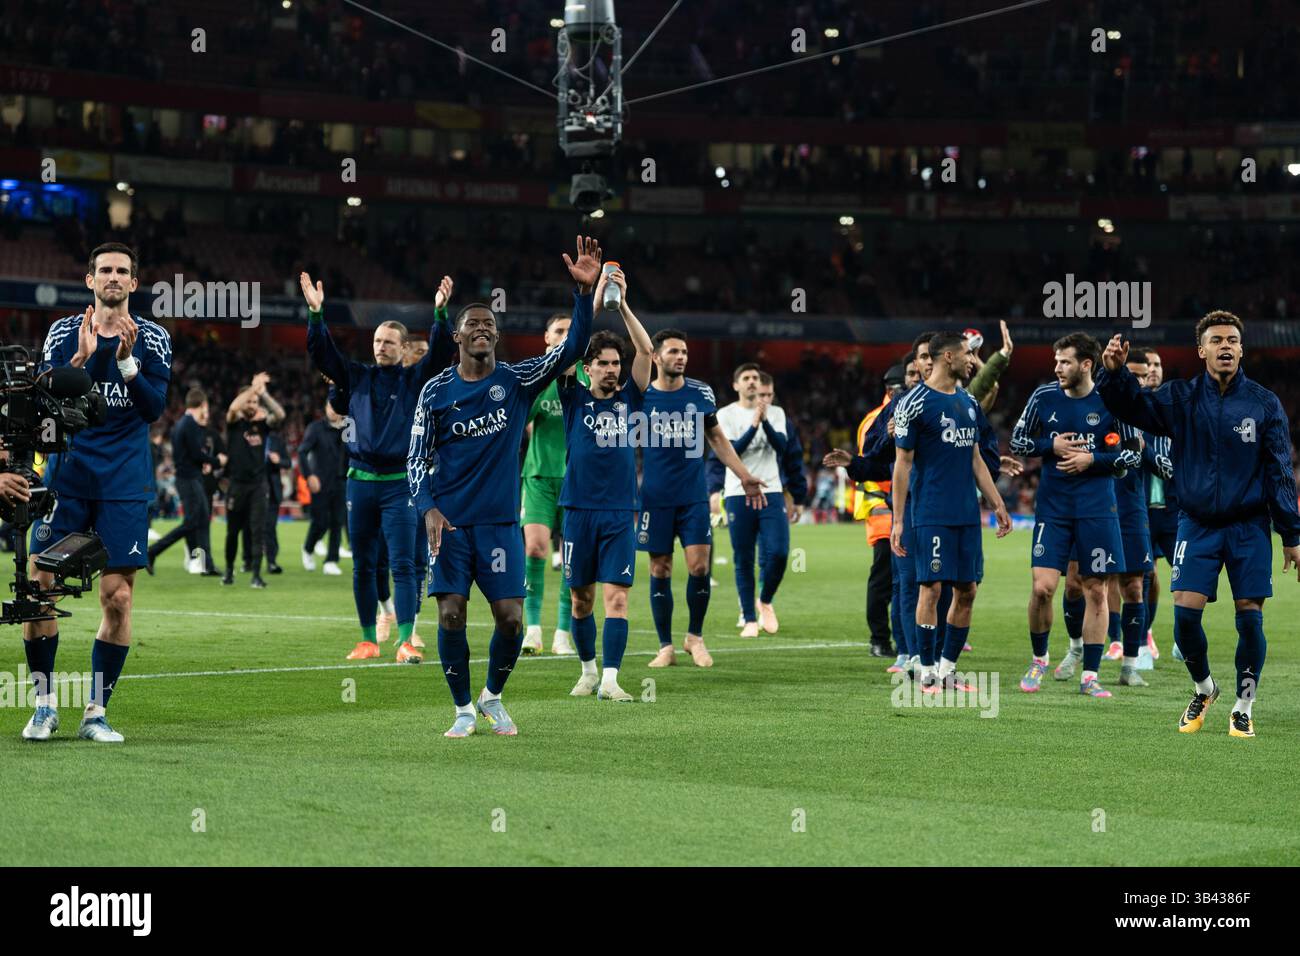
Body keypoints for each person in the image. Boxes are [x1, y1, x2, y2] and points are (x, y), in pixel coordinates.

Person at [408, 235, 599, 737]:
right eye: (473, 324)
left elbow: (573, 348)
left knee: (511, 619)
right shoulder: (435, 391)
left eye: (489, 325)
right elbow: (414, 457)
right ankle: (462, 710)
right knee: (450, 616)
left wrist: (583, 295)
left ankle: (492, 696)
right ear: (457, 336)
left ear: (496, 336)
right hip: (448, 524)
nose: (482, 330)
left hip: (498, 526)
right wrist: (426, 507)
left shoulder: (517, 381)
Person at [1095, 313, 1300, 738]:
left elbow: (1280, 471)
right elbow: (1135, 407)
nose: (1226, 346)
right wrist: (1113, 374)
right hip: (1197, 524)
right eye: (1216, 340)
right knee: (1184, 621)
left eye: (1232, 340)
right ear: (1201, 350)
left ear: (1241, 349)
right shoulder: (1180, 398)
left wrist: (1291, 535)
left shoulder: (1264, 404)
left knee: (1250, 620)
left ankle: (1244, 704)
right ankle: (1204, 688)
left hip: (1248, 526)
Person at [23, 242, 172, 743]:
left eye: (122, 271)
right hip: (68, 474)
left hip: (124, 481)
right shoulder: (64, 331)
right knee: (38, 583)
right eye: (104, 270)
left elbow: (153, 409)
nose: (113, 277)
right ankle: (44, 707)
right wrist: (83, 360)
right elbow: (46, 403)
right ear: (90, 280)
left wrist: (127, 364)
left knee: (118, 598)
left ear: (134, 283)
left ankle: (95, 713)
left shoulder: (153, 338)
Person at [304, 272, 456, 663]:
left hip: (400, 483)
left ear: (404, 348)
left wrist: (440, 315)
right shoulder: (356, 376)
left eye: (389, 341)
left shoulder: (415, 380)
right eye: (377, 341)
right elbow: (324, 356)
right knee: (364, 566)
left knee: (403, 564)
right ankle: (368, 639)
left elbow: (440, 355)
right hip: (360, 482)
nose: (381, 346)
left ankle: (406, 640)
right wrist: (317, 316)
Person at [1010, 333, 1142, 699]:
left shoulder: (1111, 400)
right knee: (1042, 588)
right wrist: (1049, 445)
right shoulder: (1043, 396)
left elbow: (1132, 454)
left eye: (1065, 361)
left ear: (1087, 364)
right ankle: (1039, 659)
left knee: (1096, 590)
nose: (1057, 368)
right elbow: (1019, 441)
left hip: (1098, 510)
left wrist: (1092, 459)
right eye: (1056, 361)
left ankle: (1090, 675)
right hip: (1053, 508)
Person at [890, 331, 1012, 694]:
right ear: (947, 357)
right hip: (931, 513)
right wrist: (898, 520)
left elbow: (975, 458)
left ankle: (947, 669)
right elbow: (902, 465)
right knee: (930, 588)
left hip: (966, 514)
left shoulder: (968, 402)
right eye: (966, 356)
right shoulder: (914, 403)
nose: (972, 361)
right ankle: (925, 670)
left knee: (968, 590)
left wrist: (998, 503)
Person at [640, 328, 765, 669]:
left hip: (693, 496)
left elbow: (717, 439)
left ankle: (694, 637)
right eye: (673, 352)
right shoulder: (642, 396)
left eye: (684, 352)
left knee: (699, 565)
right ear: (655, 357)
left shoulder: (701, 393)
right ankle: (665, 646)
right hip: (655, 498)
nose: (680, 357)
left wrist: (743, 476)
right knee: (660, 567)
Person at [559, 269, 653, 701]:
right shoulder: (572, 396)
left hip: (619, 512)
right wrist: (595, 301)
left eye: (617, 363)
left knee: (617, 599)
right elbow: (566, 347)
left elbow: (646, 349)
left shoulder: (630, 398)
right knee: (581, 600)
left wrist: (623, 304)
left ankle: (612, 679)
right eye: (605, 363)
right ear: (588, 368)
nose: (613, 369)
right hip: (577, 509)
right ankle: (587, 671)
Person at [713, 363, 790, 638]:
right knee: (743, 558)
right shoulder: (726, 414)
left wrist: (765, 420)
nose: (752, 382)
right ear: (736, 385)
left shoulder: (776, 413)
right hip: (737, 491)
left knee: (779, 552)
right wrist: (754, 424)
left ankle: (765, 600)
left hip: (770, 490)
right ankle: (748, 618)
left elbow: (783, 447)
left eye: (755, 378)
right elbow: (731, 451)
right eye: (745, 378)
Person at [520, 312, 578, 657]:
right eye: (559, 331)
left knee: (571, 559)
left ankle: (562, 633)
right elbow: (519, 421)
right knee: (536, 549)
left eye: (571, 331)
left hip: (577, 481)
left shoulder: (589, 375)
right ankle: (533, 630)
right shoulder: (537, 377)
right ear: (546, 338)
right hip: (539, 476)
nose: (565, 335)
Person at [147, 387, 222, 575]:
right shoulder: (190, 424)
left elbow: (190, 454)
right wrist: (216, 461)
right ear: (202, 404)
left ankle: (207, 565)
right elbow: (196, 453)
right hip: (189, 479)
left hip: (188, 477)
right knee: (192, 523)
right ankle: (153, 552)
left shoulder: (181, 424)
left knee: (202, 520)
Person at [222, 372, 284, 588]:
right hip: (237, 486)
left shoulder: (262, 425)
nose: (252, 404)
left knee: (258, 531)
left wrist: (263, 393)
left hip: (259, 486)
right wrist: (252, 388)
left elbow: (280, 414)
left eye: (255, 402)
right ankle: (229, 571)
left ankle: (256, 575)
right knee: (233, 532)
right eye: (249, 401)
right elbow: (232, 409)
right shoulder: (233, 424)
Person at [299, 400, 348, 577]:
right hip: (320, 483)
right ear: (326, 409)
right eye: (331, 407)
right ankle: (307, 548)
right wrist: (309, 475)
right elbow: (302, 452)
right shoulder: (315, 428)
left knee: (337, 522)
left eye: (337, 407)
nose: (334, 411)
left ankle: (331, 560)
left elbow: (355, 452)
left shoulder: (348, 428)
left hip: (342, 481)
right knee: (320, 522)